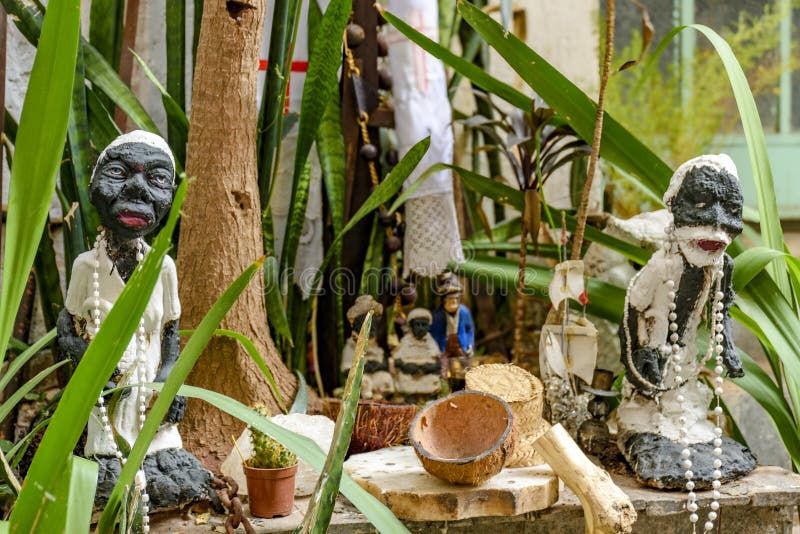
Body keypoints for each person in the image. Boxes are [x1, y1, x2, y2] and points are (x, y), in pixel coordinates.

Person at [56, 131, 215, 510]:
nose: (137, 189)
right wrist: (91, 366)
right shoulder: (86, 267)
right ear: (95, 187)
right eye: (118, 172)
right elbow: (67, 327)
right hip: (104, 394)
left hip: (148, 394)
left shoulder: (163, 268)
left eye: (157, 179)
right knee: (105, 461)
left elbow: (170, 330)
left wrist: (169, 381)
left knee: (164, 464)